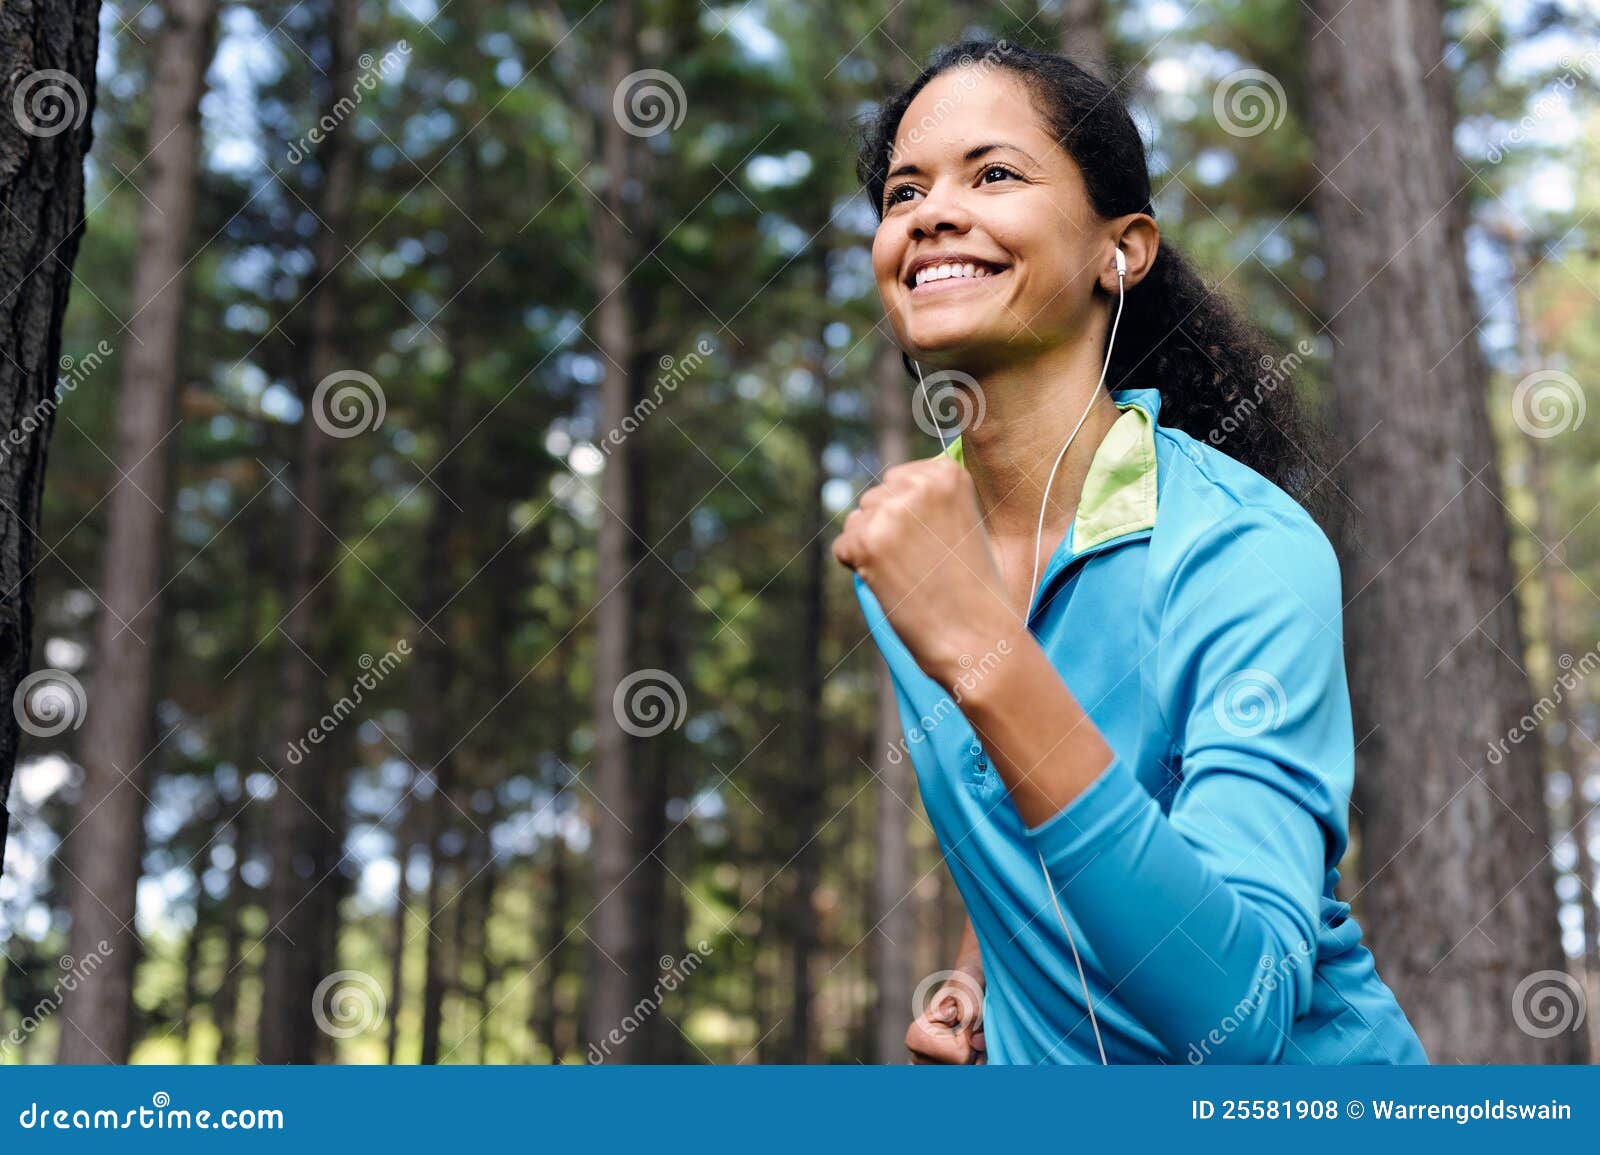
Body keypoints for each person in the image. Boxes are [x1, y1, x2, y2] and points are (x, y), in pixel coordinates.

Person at [834, 40, 1428, 1065]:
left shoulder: (1242, 548)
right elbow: (1051, 797)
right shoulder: (909, 544)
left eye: (995, 174)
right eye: (902, 192)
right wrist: (989, 977)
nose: (929, 212)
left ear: (1124, 249)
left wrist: (985, 648)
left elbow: (1239, 1019)